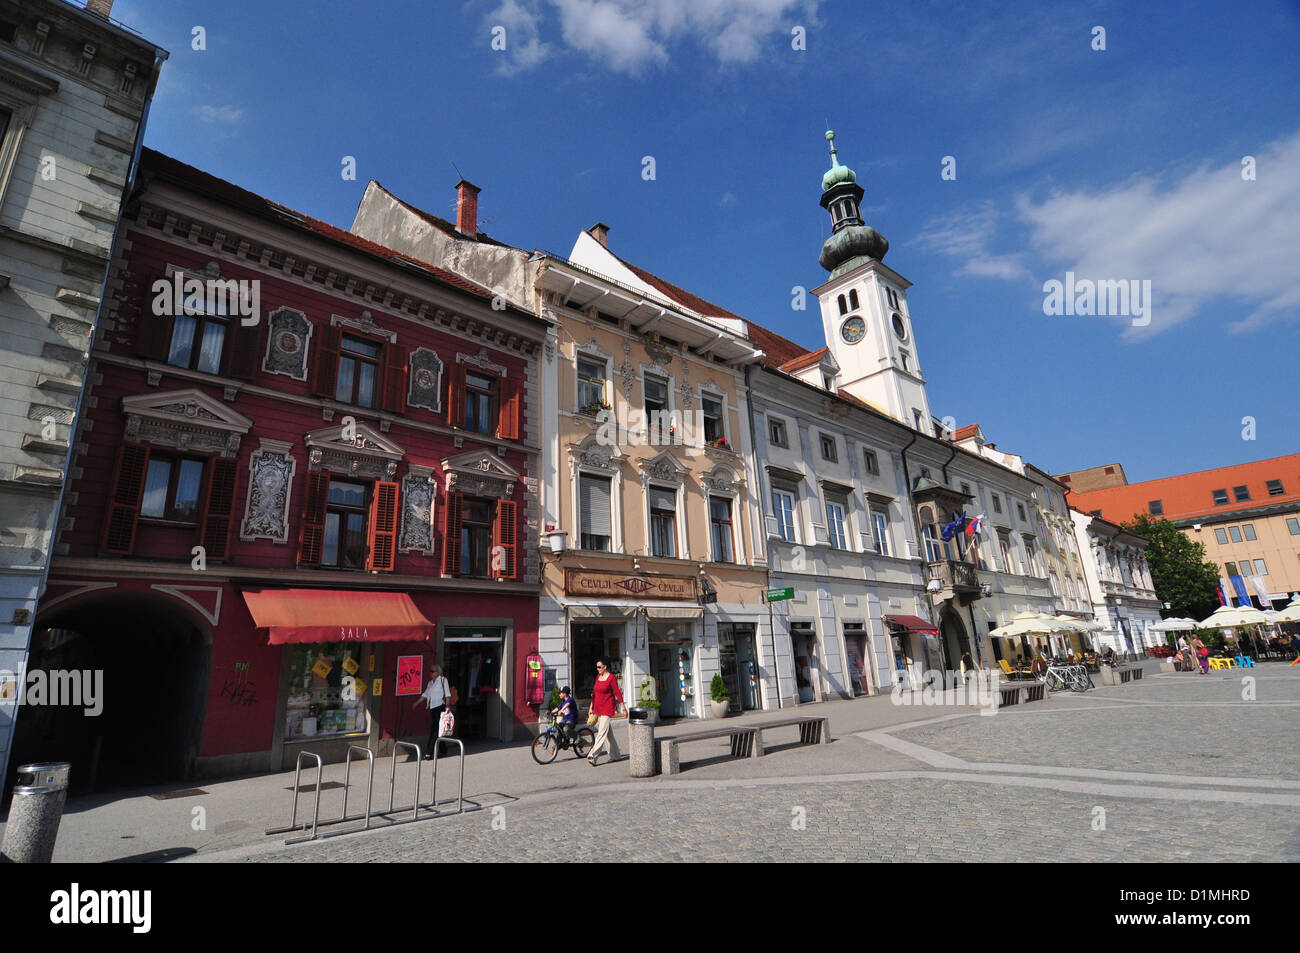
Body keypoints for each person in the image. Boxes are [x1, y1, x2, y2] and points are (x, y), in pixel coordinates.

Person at [587, 657, 625, 766]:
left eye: (599, 667)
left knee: (601, 732)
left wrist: (623, 707)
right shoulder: (599, 677)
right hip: (598, 708)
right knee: (608, 734)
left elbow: (617, 692)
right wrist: (591, 707)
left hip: (608, 708)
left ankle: (592, 755)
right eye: (597, 667)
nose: (598, 669)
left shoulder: (611, 678)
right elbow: (594, 693)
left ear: (605, 667)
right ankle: (616, 755)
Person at [415, 665, 450, 760]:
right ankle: (443, 750)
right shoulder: (430, 683)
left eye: (433, 671)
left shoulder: (443, 680)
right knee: (438, 730)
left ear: (438, 672)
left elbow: (447, 694)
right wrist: (417, 702)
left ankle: (429, 752)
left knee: (434, 730)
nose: (431, 673)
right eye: (430, 671)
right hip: (433, 708)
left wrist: (447, 706)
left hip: (441, 707)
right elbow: (425, 694)